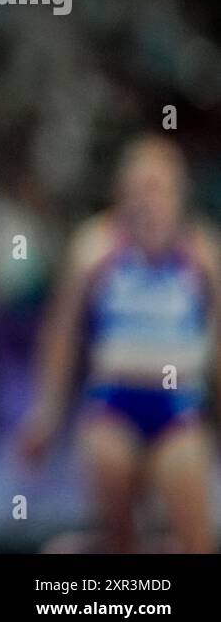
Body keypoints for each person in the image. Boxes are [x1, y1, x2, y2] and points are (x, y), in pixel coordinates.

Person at [18, 134, 221, 553]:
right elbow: (61, 335)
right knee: (119, 530)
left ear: (179, 195)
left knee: (195, 538)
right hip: (113, 405)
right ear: (120, 194)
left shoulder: (201, 252)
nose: (147, 200)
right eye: (137, 190)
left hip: (178, 409)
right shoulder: (95, 248)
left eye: (157, 188)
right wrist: (47, 411)